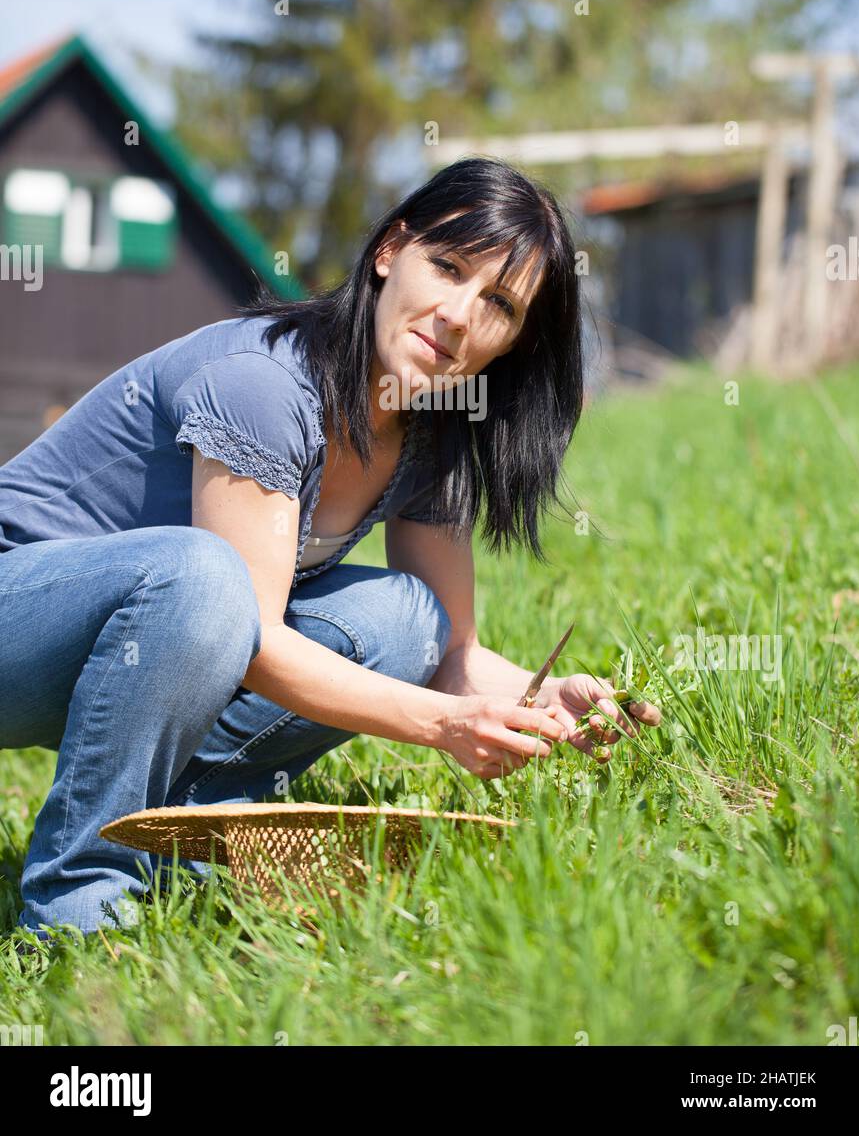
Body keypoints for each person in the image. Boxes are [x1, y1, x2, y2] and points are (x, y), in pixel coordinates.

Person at [0, 156, 660, 943]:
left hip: (144, 658)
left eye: (499, 304)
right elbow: (252, 639)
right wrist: (444, 727)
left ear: (513, 342)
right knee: (205, 579)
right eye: (446, 267)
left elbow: (453, 654)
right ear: (389, 251)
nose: (457, 314)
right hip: (21, 629)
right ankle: (77, 908)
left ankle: (183, 840)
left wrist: (539, 708)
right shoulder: (263, 384)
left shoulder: (433, 429)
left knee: (406, 618)